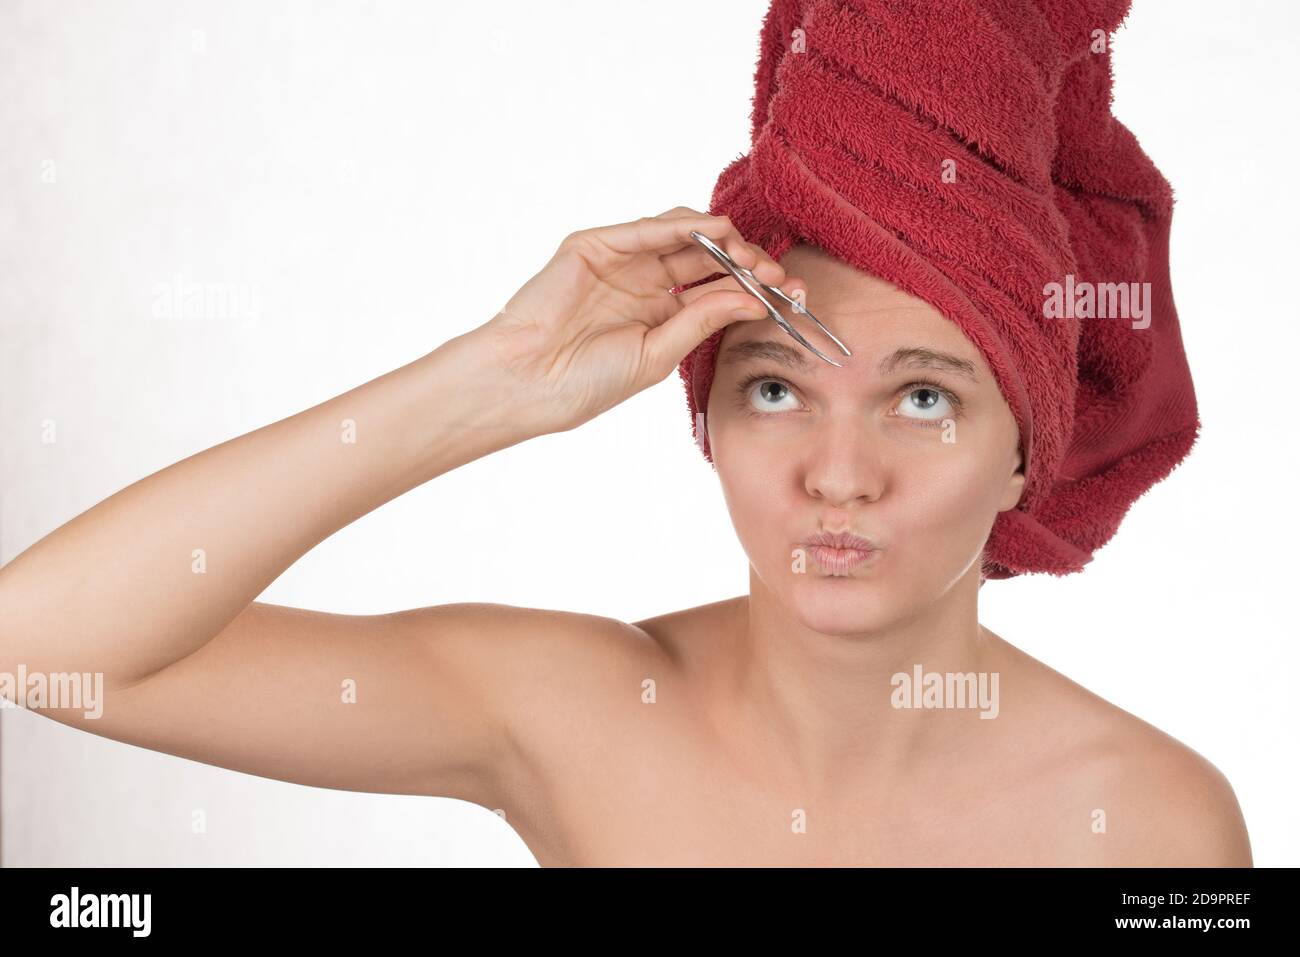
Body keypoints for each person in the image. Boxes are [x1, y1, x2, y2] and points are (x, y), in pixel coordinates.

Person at [0, 208, 1252, 866]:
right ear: (705, 420)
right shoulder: (569, 712)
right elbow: (44, 644)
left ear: (1026, 454)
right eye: (775, 388)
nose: (836, 475)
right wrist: (488, 380)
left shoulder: (1148, 822)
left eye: (923, 399)